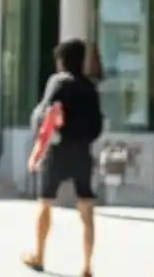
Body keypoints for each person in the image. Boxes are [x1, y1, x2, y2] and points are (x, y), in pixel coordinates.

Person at [22, 39, 104, 277]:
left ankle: (39, 255)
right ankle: (86, 266)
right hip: (82, 152)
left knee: (45, 202)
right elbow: (97, 125)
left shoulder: (57, 82)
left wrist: (38, 147)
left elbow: (45, 117)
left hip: (57, 151)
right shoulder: (90, 87)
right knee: (86, 207)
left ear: (62, 60)